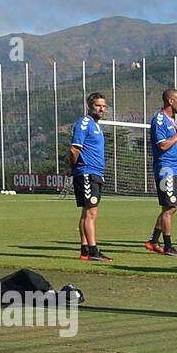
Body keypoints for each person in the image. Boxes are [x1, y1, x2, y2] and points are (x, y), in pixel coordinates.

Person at [68, 92, 111, 262]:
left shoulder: (96, 126)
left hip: (95, 173)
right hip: (86, 172)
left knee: (87, 213)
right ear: (89, 106)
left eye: (103, 106)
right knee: (91, 213)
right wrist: (76, 168)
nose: (101, 109)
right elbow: (74, 149)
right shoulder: (84, 123)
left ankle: (85, 250)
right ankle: (93, 250)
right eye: (98, 105)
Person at [145, 88, 177, 256]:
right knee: (169, 208)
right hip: (166, 168)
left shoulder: (170, 120)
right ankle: (168, 246)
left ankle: (154, 240)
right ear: (171, 101)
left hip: (176, 167)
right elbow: (162, 145)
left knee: (170, 208)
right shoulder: (160, 120)